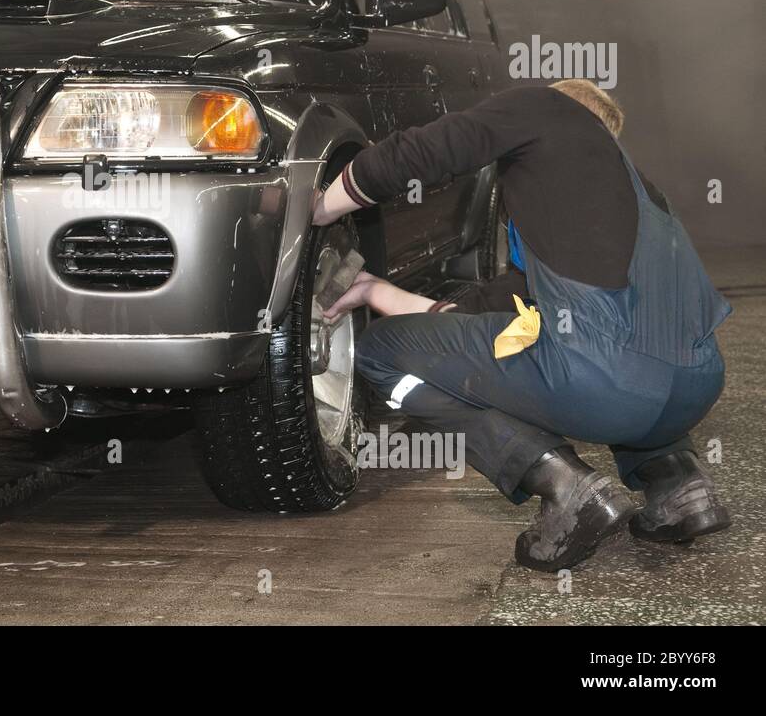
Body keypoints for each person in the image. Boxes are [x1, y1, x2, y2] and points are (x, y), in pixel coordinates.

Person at [313, 80, 732, 571]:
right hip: (694, 394)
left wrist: (320, 206)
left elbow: (424, 151)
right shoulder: (642, 199)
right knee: (621, 350)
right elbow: (473, 327)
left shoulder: (543, 106)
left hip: (608, 388)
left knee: (380, 351)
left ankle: (561, 482)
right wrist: (372, 291)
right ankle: (677, 482)